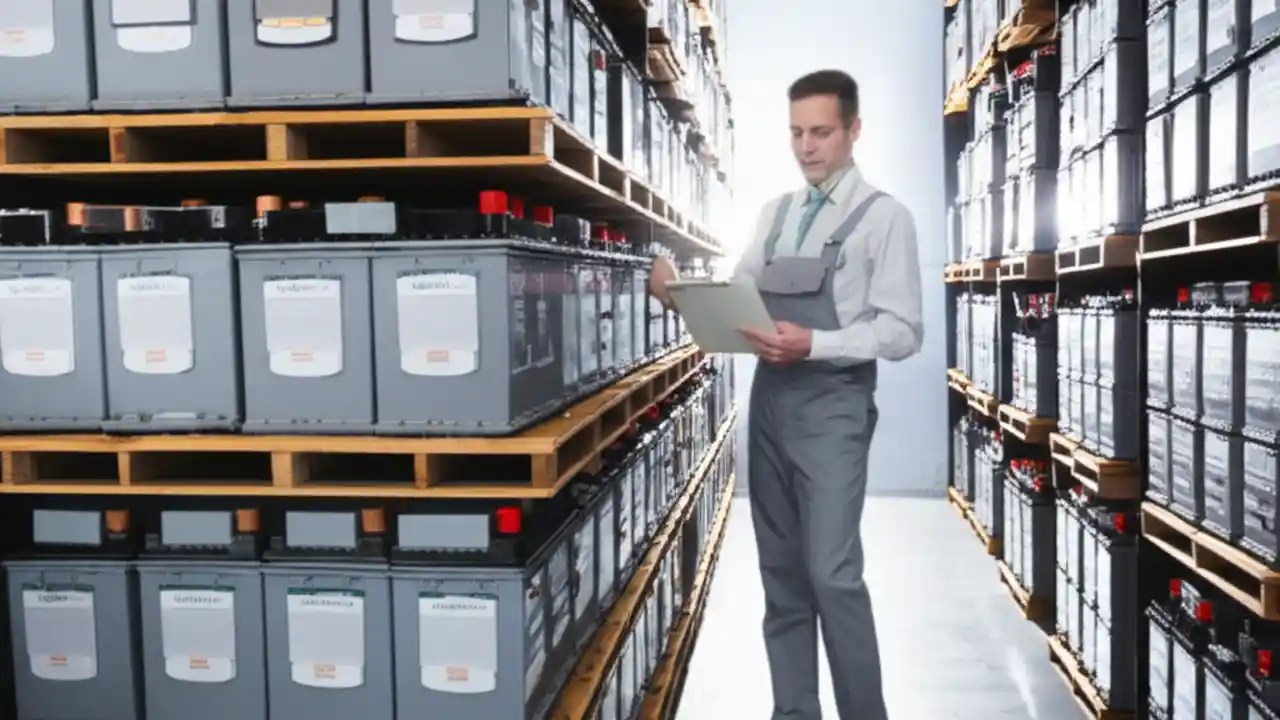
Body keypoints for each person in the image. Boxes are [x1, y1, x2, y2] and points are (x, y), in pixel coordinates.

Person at [655, 69, 923, 720]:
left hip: (833, 409)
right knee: (781, 576)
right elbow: (739, 293)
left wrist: (816, 344)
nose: (807, 146)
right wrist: (678, 293)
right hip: (771, 403)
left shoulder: (885, 218)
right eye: (797, 132)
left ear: (854, 130)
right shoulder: (774, 215)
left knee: (833, 574)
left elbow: (903, 331)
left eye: (821, 132)